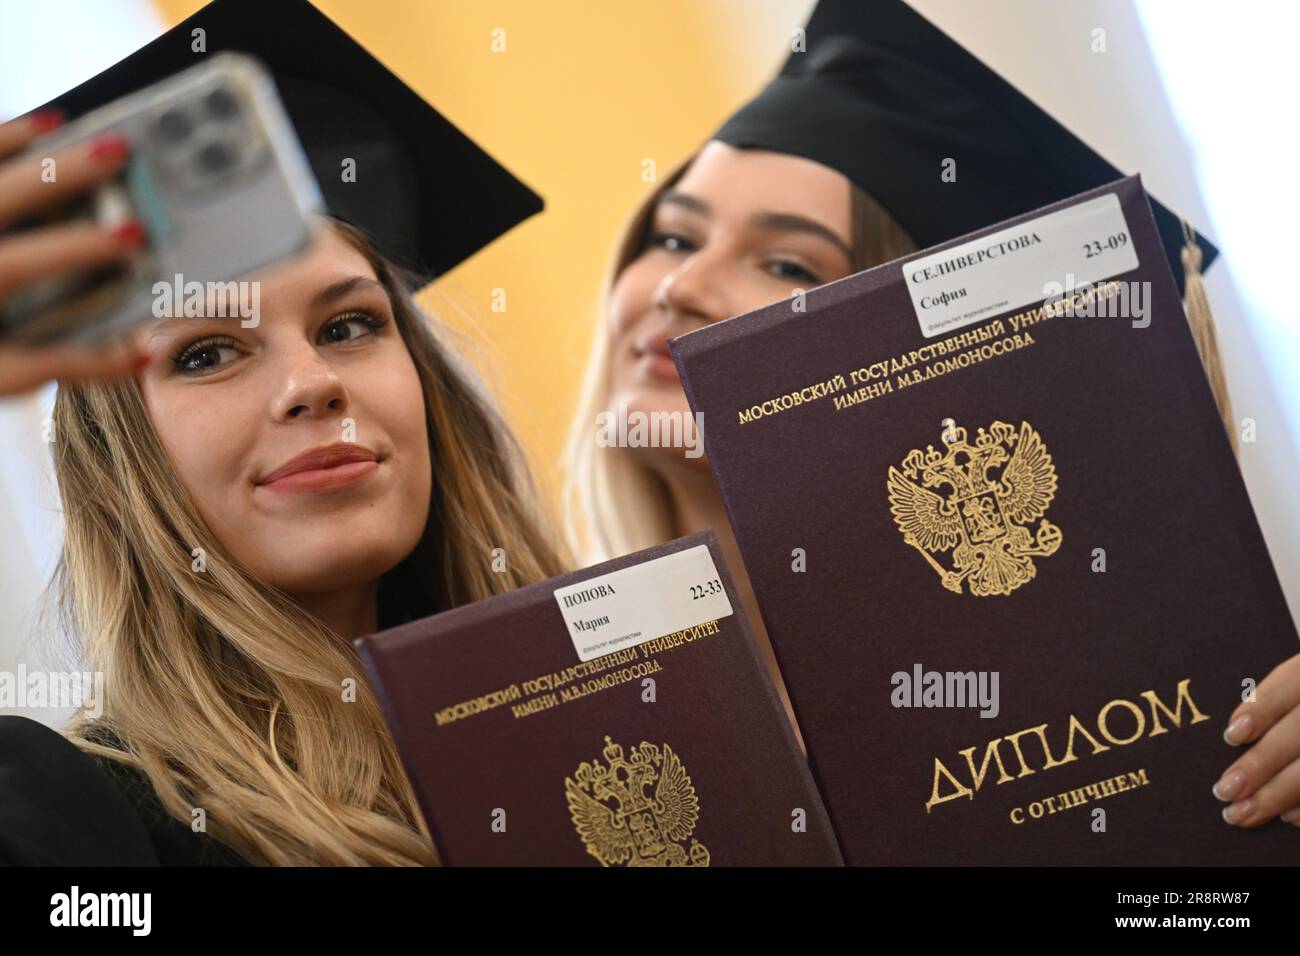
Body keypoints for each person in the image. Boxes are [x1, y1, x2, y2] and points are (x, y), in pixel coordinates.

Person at [563, 0, 1300, 831]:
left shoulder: (1115, 700)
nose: (678, 286)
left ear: (910, 362)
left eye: (784, 262)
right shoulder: (545, 721)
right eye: (671, 237)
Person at [0, 0, 565, 866]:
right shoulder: (76, 827)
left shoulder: (621, 723)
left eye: (348, 327)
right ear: (118, 457)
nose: (311, 384)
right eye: (208, 352)